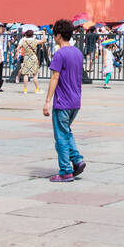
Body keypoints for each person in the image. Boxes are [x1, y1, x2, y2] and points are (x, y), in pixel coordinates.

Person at [43, 20, 86, 182]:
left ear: (59, 35)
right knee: (66, 131)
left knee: (60, 136)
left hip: (62, 101)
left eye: (54, 34)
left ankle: (66, 171)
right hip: (76, 101)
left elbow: (55, 77)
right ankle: (77, 160)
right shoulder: (78, 53)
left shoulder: (60, 54)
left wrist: (47, 101)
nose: (53, 37)